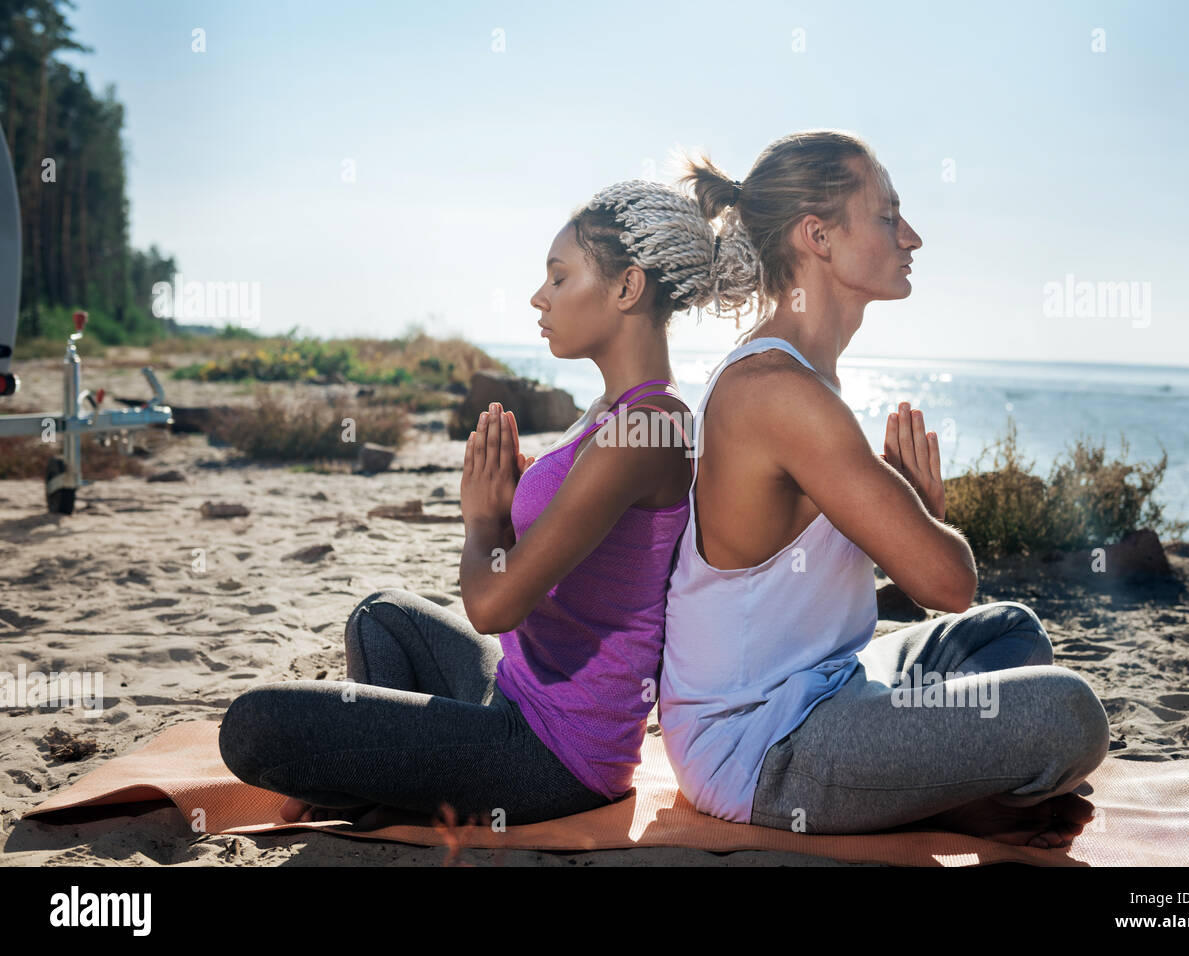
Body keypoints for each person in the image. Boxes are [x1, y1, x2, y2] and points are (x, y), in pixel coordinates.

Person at [218, 179, 749, 827]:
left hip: (554, 756)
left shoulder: (645, 428)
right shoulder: (615, 410)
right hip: (514, 692)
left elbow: (493, 607)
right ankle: (386, 777)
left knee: (253, 728)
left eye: (559, 277)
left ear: (627, 288)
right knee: (381, 614)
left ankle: (380, 783)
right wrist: (517, 507)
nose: (539, 296)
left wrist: (485, 519)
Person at [658, 130, 1111, 846]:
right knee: (1068, 715)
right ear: (819, 237)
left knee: (1012, 632)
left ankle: (939, 795)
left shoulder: (804, 377)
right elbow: (949, 580)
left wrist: (913, 517)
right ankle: (957, 803)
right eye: (888, 216)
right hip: (757, 746)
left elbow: (893, 593)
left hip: (828, 679)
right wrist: (924, 521)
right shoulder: (778, 392)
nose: (913, 237)